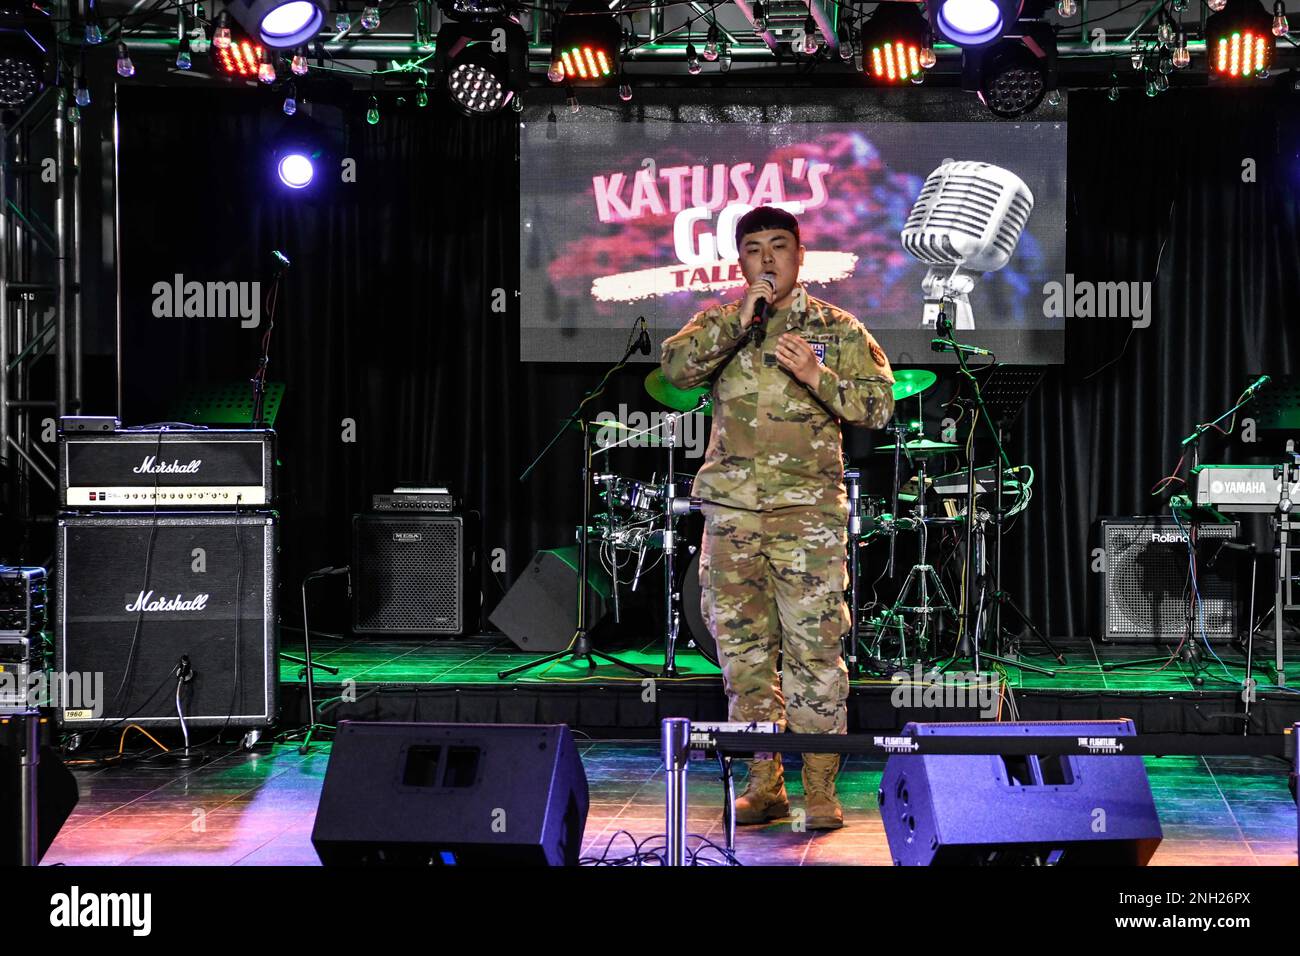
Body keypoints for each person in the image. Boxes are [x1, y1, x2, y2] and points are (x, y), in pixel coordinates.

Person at [660, 206, 895, 829]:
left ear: (800, 255)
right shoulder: (720, 322)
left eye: (779, 247)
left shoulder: (837, 328)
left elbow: (877, 405)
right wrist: (736, 324)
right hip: (733, 518)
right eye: (754, 249)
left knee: (815, 654)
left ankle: (820, 788)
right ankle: (765, 784)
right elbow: (675, 370)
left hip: (807, 518)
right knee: (743, 657)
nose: (767, 259)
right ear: (739, 261)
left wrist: (818, 375)